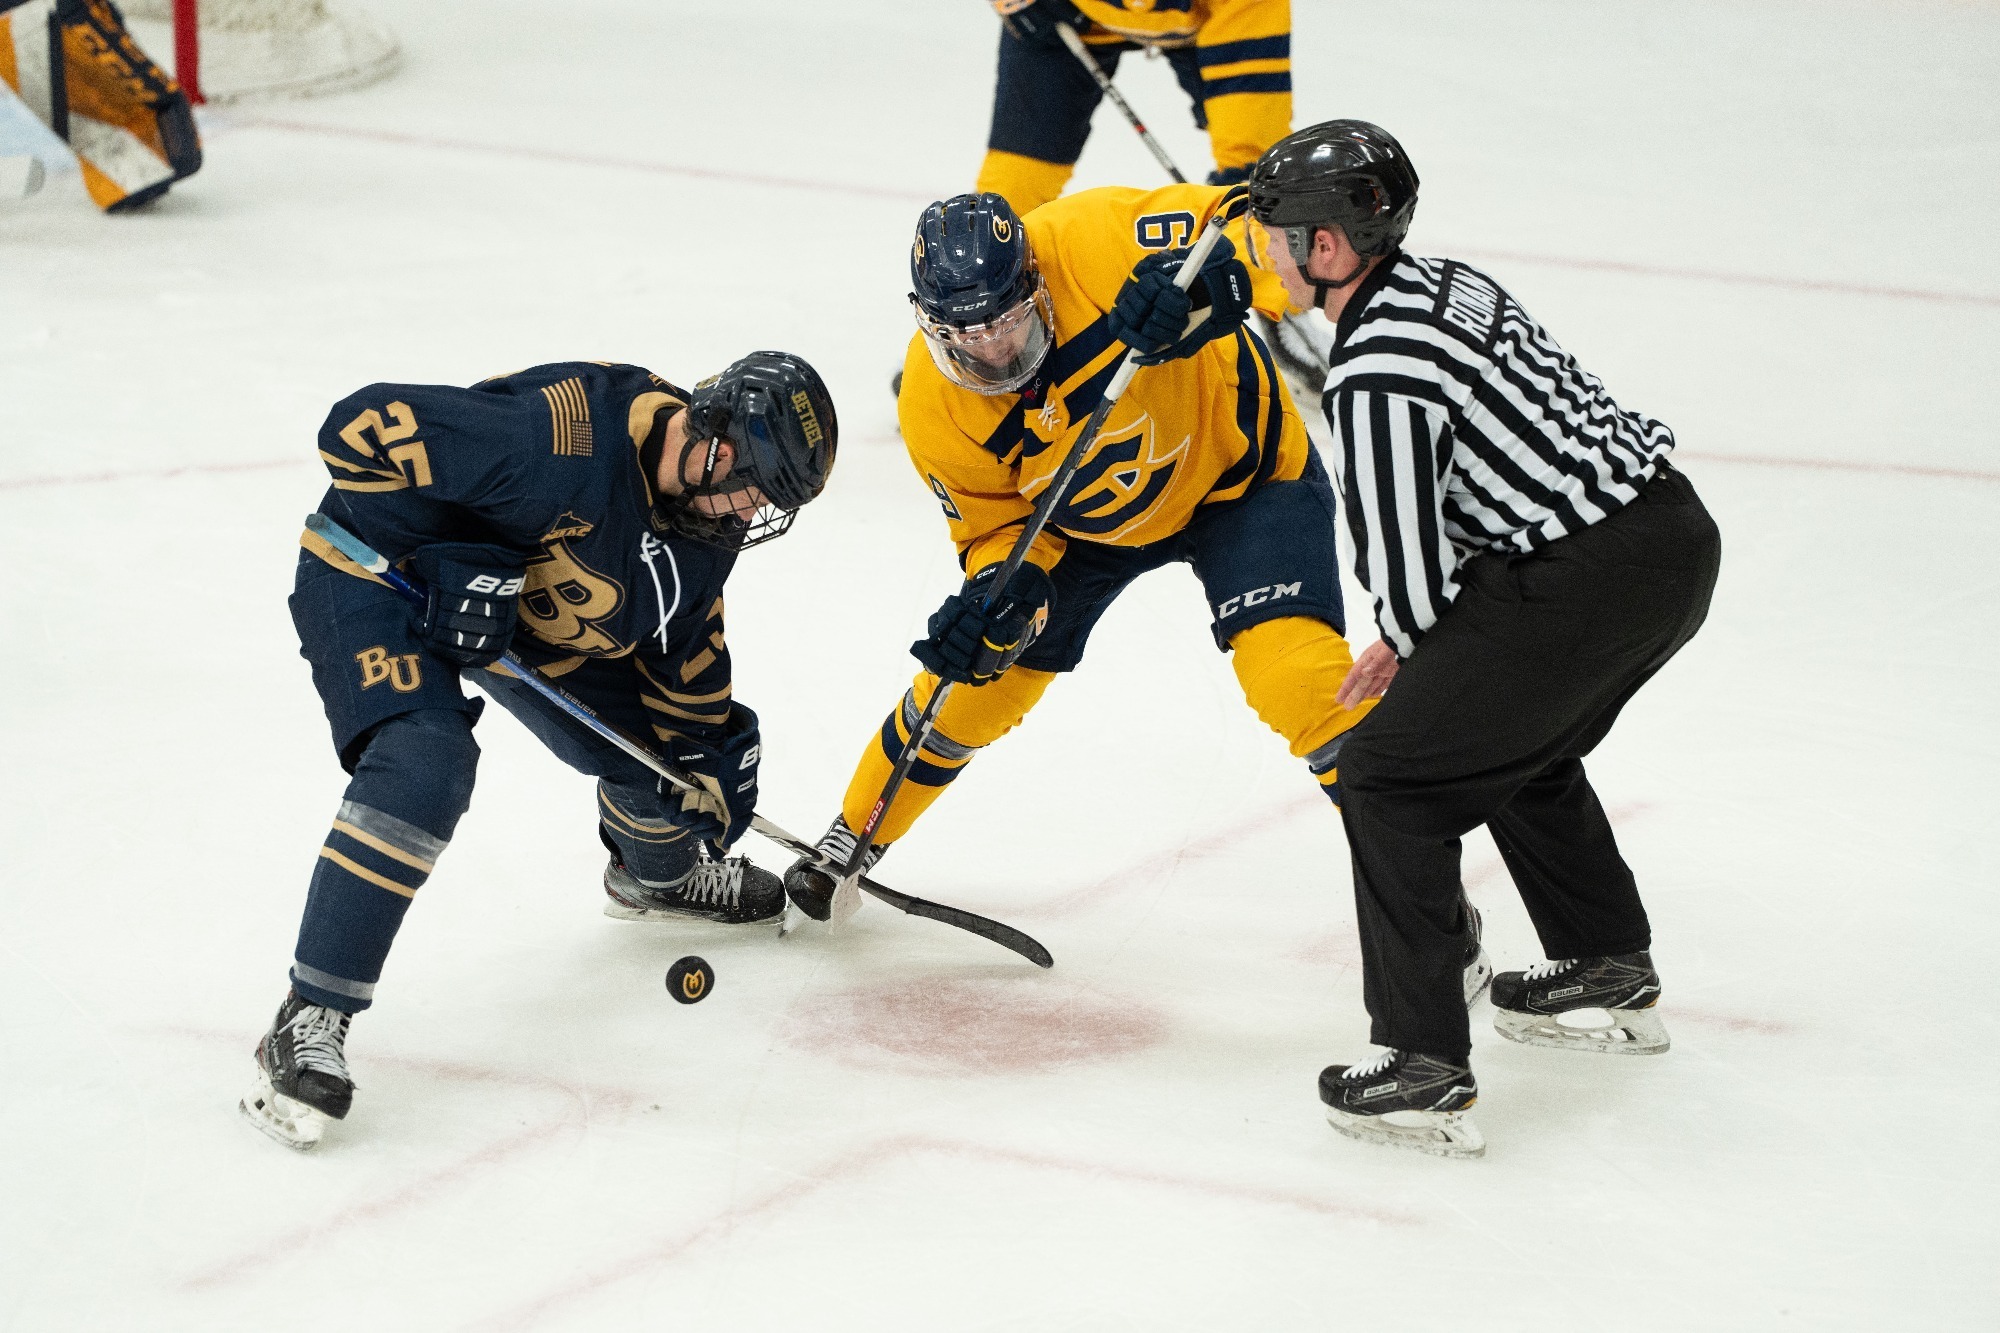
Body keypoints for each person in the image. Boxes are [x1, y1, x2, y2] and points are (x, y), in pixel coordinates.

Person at [783, 186, 1490, 1018]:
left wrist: (1213, 288)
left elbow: (1248, 222)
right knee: (974, 688)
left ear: (1037, 279)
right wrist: (1001, 599)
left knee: (1297, 681)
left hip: (1243, 475)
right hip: (1085, 534)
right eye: (965, 337)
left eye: (1010, 320)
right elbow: (997, 536)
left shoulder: (1098, 234)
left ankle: (1435, 915)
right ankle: (852, 836)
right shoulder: (935, 407)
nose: (996, 351)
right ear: (928, 323)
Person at [1246, 120, 1723, 1158]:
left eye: (1276, 232)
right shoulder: (1443, 284)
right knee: (1505, 736)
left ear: (1327, 249)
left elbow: (1408, 575)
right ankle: (1602, 962)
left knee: (1388, 773)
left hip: (1582, 579)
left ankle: (1422, 1065)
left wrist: (1414, 646)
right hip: (1665, 537)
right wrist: (1436, 654)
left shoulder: (1369, 375)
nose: (1265, 250)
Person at [241, 352, 838, 1150]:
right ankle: (310, 1013)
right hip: (381, 574)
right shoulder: (561, 438)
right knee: (427, 760)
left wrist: (706, 749)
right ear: (715, 445)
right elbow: (357, 434)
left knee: (663, 759)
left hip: (513, 615)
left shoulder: (706, 516)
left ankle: (654, 871)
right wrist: (458, 564)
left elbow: (681, 634)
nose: (749, 513)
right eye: (753, 487)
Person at [981, 0, 1292, 212]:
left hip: (1205, 17)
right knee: (1015, 181)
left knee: (1257, 178)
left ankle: (1285, 289)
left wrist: (1248, 176)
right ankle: (981, 286)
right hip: (1072, 14)